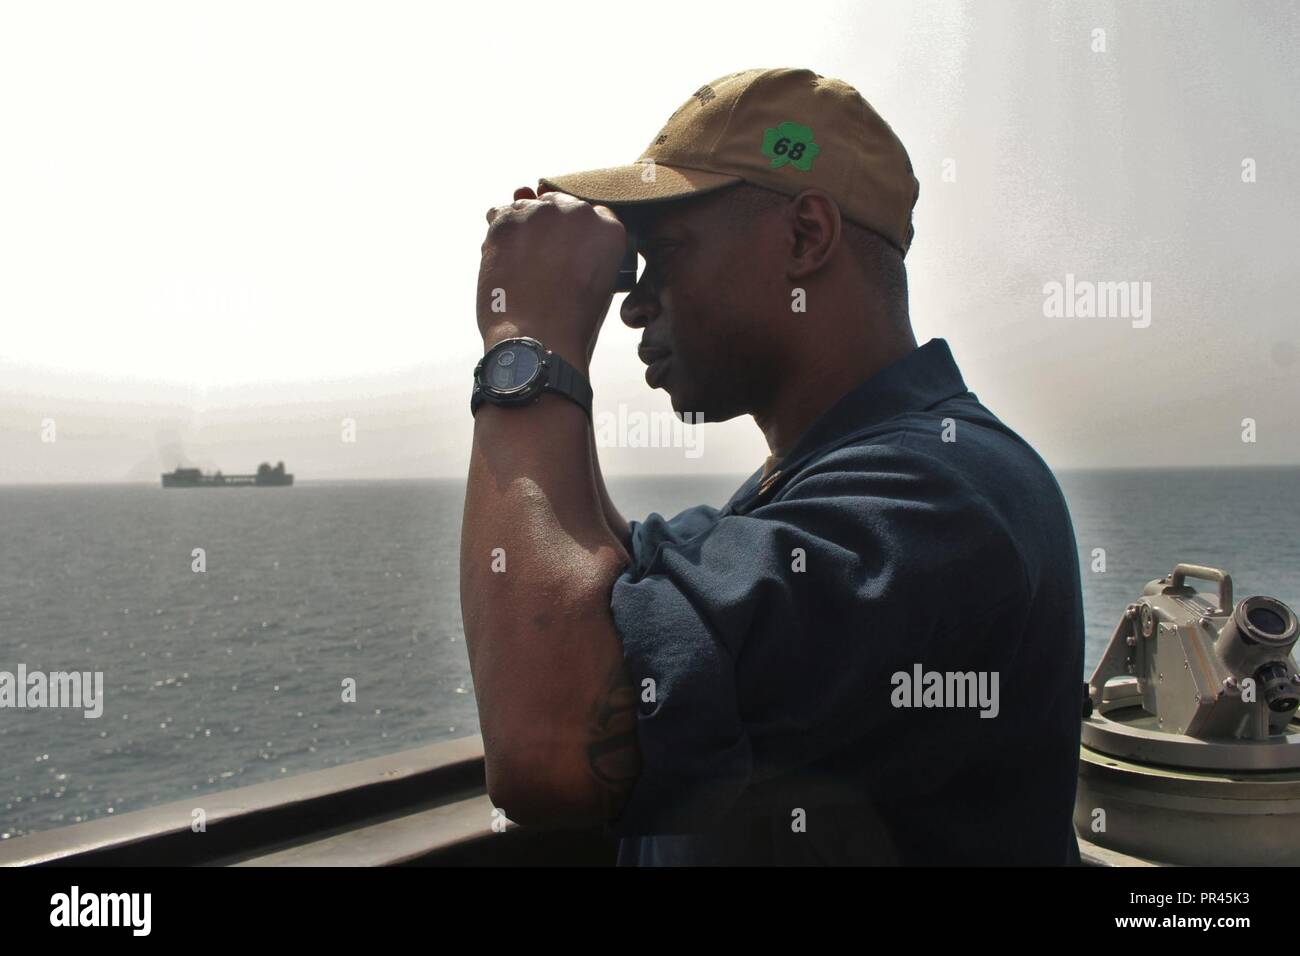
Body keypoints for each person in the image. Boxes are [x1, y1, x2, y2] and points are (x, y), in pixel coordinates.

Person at [460, 67, 1085, 865]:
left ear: (805, 237)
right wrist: (554, 351)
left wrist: (529, 339)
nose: (633, 305)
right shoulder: (815, 481)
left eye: (663, 255)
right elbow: (605, 579)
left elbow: (545, 744)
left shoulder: (939, 502)